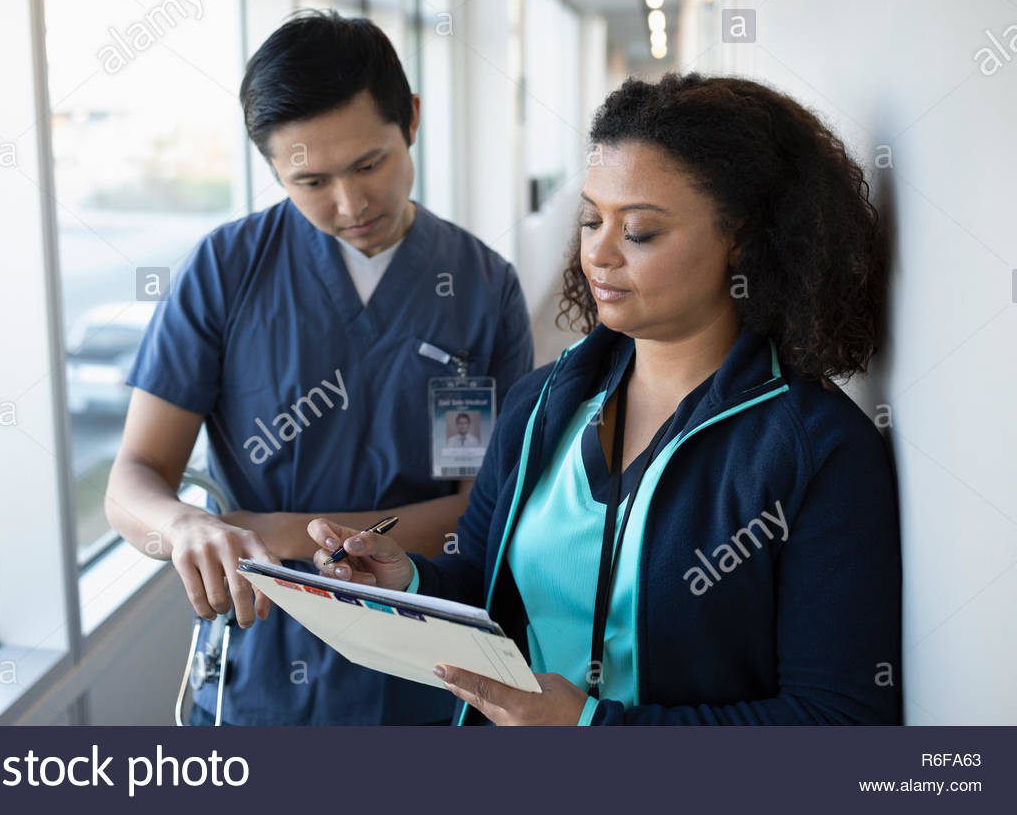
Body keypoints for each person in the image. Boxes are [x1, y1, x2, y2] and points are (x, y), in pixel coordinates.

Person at [310, 72, 902, 725]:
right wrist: (409, 583)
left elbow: (840, 720)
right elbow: (487, 580)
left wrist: (593, 730)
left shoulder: (818, 450)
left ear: (743, 238)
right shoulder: (542, 405)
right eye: (592, 219)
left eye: (640, 232)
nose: (598, 254)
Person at [105, 10, 534, 725]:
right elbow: (134, 480)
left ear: (414, 122)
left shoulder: (479, 288)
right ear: (273, 168)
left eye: (371, 164)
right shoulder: (226, 270)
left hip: (425, 666)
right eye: (310, 181)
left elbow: (476, 512)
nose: (350, 203)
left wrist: (272, 534)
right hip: (264, 664)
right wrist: (184, 526)